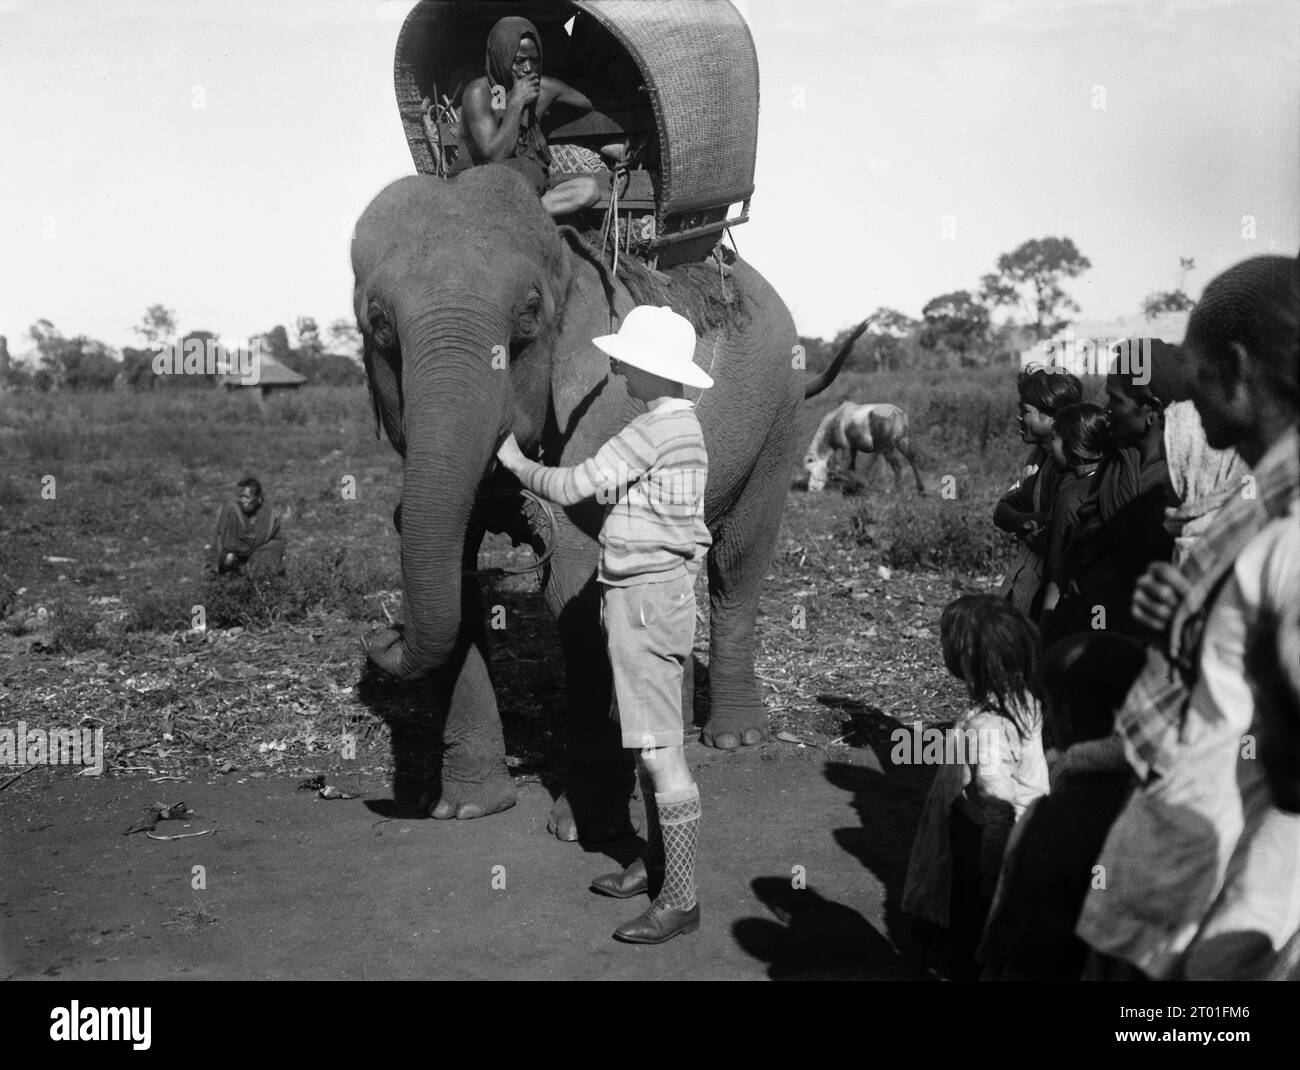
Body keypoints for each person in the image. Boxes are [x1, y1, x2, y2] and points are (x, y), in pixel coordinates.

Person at [1076, 254, 1300, 981]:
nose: (1186, 399)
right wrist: (1199, 624)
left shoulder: (1290, 529)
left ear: (1237, 370)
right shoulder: (1262, 501)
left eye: (1196, 374)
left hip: (1217, 889)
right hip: (1199, 864)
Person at [495, 304, 712, 944]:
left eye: (626, 359)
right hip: (653, 597)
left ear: (651, 369)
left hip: (643, 601)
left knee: (659, 752)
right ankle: (656, 863)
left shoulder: (652, 432)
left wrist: (512, 461)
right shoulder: (684, 429)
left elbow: (575, 487)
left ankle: (681, 898)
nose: (617, 367)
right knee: (649, 742)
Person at [978, 633, 1145, 980]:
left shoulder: (1052, 822)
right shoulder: (1176, 800)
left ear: (1065, 717)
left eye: (1050, 706)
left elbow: (1024, 950)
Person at [900, 595, 1048, 978]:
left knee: (971, 935)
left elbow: (997, 803)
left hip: (982, 840)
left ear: (969, 659)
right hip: (1014, 833)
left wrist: (989, 872)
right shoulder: (1021, 701)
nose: (942, 648)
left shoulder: (988, 727)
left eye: (947, 641)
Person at [1047, 341, 1178, 642]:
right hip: (1086, 624)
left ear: (1152, 409)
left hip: (1144, 640)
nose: (1106, 409)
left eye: (1115, 400)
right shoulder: (1115, 466)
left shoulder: (1177, 480)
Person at [456, 16, 602, 217]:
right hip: (486, 192)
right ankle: (522, 215)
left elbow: (591, 102)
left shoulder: (542, 89)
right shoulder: (479, 92)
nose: (527, 68)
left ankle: (525, 215)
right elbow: (495, 154)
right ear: (501, 56)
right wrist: (516, 102)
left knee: (589, 190)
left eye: (534, 60)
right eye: (518, 60)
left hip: (531, 195)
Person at [994, 366, 1083, 620]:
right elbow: (1002, 510)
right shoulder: (1037, 459)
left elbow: (1062, 532)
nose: (1018, 418)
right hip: (1028, 578)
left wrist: (1039, 524)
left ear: (1053, 417)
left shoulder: (1073, 466)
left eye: (1025, 412)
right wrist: (1033, 522)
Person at [1037, 402, 1108, 637]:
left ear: (1073, 444)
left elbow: (1056, 565)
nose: (1049, 446)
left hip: (1073, 609)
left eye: (1054, 439)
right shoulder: (1110, 480)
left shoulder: (1070, 495)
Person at [213, 477, 285, 576]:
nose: (243, 500)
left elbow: (276, 541)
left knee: (266, 558)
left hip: (261, 553)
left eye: (247, 497)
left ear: (258, 499)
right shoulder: (232, 512)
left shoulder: (268, 517)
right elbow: (226, 542)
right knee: (228, 558)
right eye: (241, 497)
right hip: (237, 556)